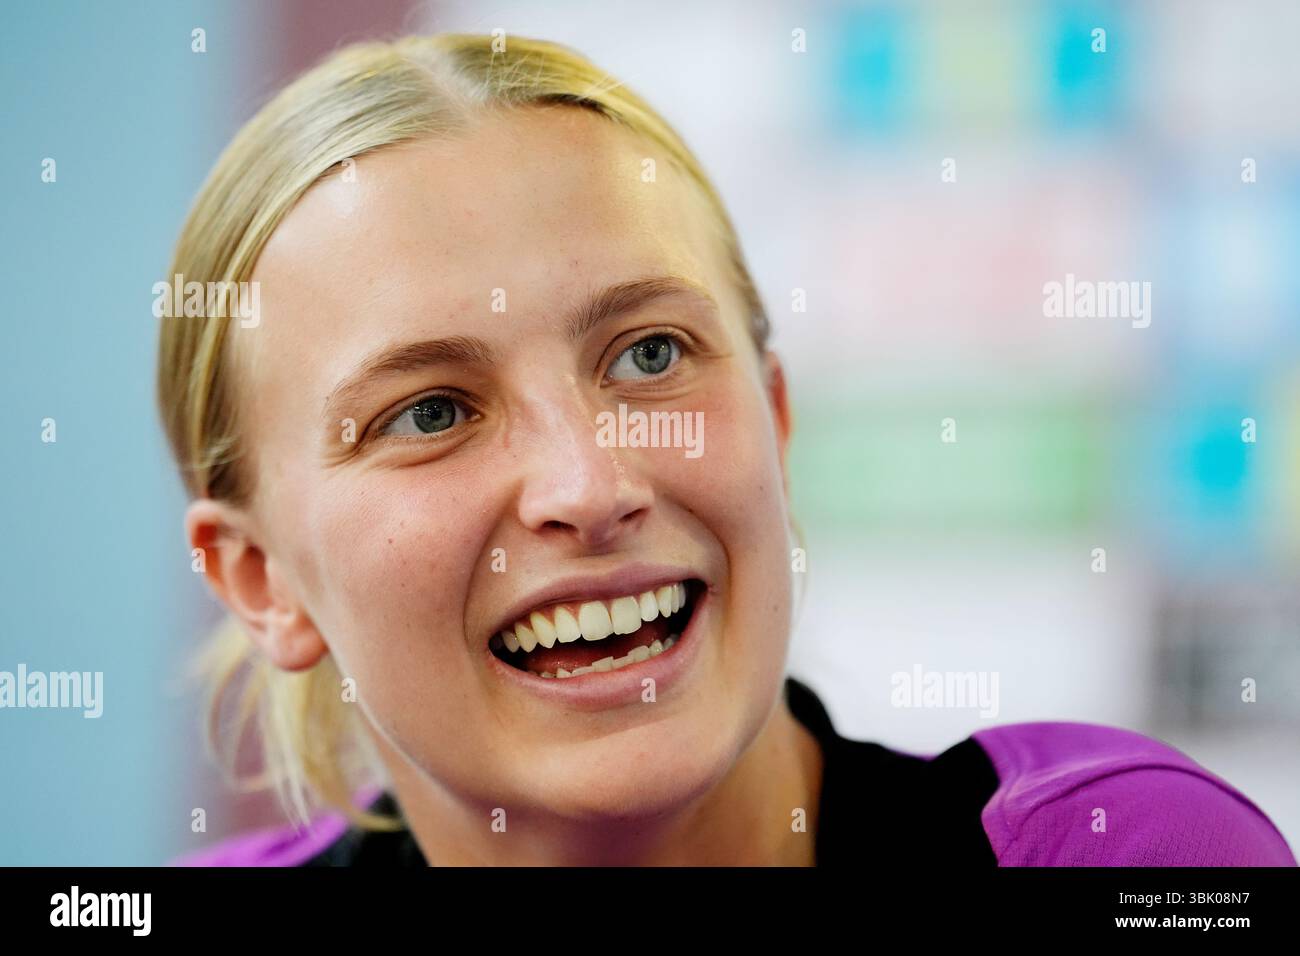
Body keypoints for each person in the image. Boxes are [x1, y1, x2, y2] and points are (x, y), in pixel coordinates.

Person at [160, 33, 1296, 867]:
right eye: (430, 412)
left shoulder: (1134, 857)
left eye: (650, 354)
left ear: (775, 413)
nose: (589, 483)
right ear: (259, 579)